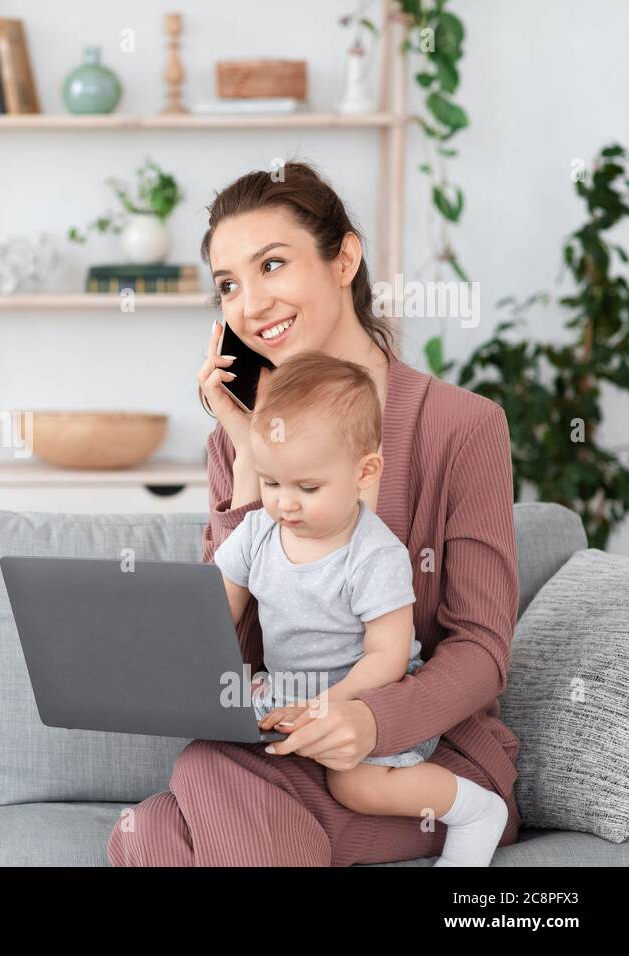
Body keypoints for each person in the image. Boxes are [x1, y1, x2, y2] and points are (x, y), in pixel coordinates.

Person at [107, 160, 521, 866]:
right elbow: (226, 663)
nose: (250, 302)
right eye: (229, 285)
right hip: (288, 742)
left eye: (272, 265)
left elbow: (482, 650)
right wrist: (245, 457)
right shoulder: (232, 439)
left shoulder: (464, 426)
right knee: (150, 826)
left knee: (167, 820)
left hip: (420, 766)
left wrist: (368, 718)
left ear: (344, 259)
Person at [214, 351, 507, 866]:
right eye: (271, 482)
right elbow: (213, 611)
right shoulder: (258, 531)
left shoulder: (373, 553)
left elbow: (387, 658)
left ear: (364, 471)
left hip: (367, 693)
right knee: (217, 747)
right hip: (291, 693)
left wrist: (336, 706)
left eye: (307, 487)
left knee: (355, 784)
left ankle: (473, 810)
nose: (284, 504)